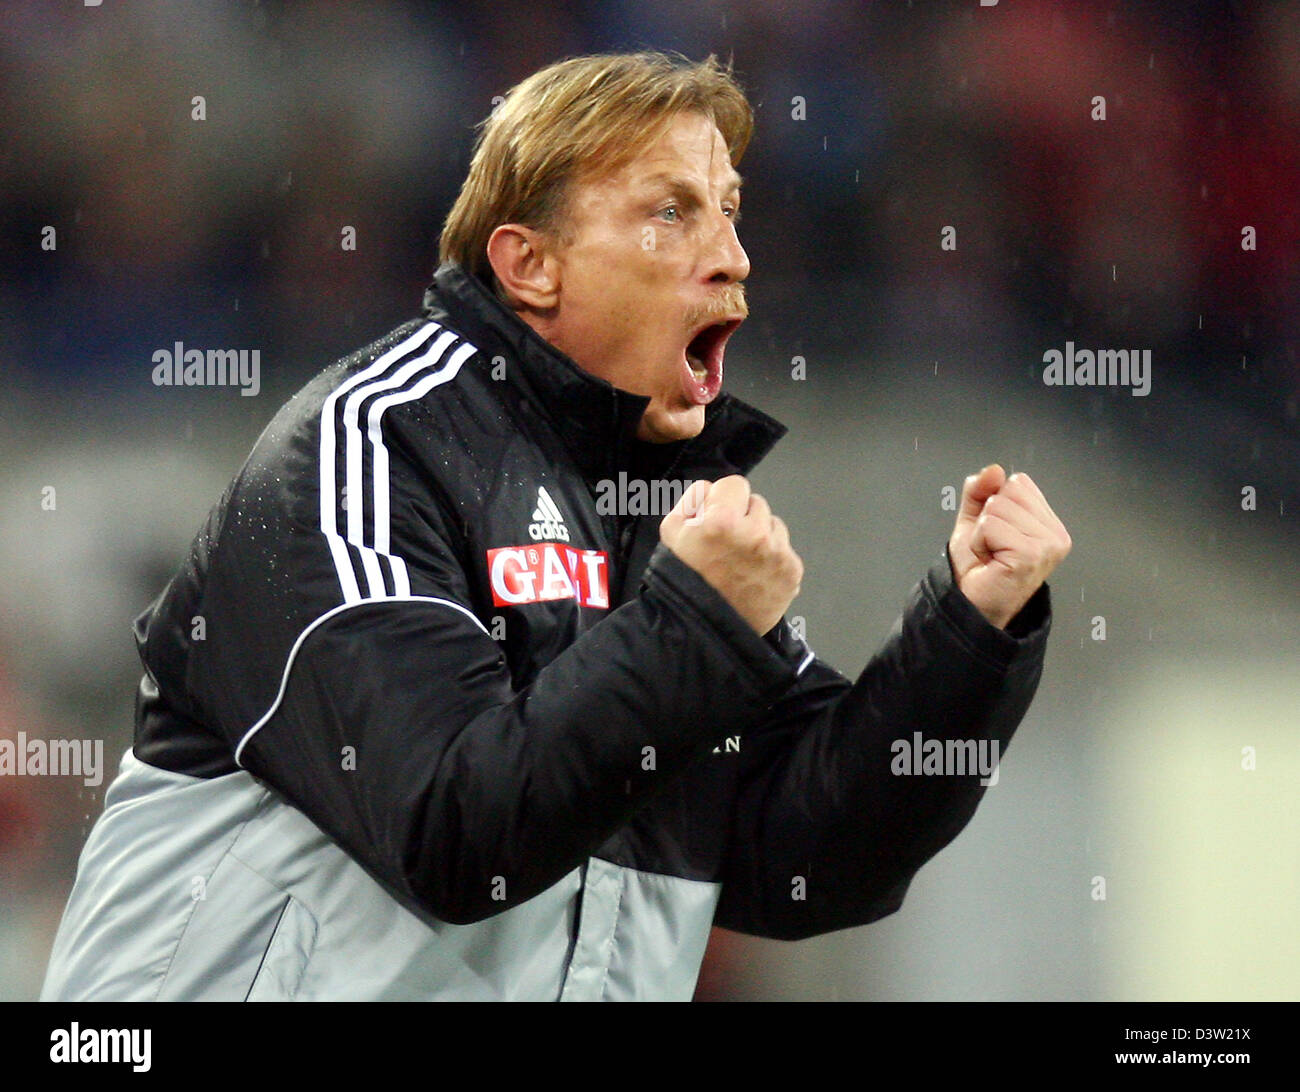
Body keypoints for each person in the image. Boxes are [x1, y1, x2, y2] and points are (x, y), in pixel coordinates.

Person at [41, 51, 1070, 1001]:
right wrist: (694, 626)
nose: (733, 257)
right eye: (671, 212)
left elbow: (810, 865)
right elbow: (452, 833)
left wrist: (965, 638)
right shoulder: (376, 444)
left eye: (730, 210)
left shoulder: (666, 517)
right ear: (531, 265)